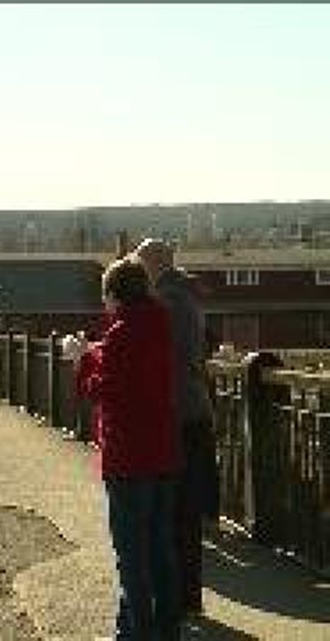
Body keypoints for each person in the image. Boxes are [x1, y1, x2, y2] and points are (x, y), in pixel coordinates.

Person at [71, 258, 181, 641]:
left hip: (128, 458)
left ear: (115, 295)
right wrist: (98, 349)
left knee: (131, 556)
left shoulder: (121, 335)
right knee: (160, 550)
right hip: (162, 453)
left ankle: (137, 633)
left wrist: (82, 358)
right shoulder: (160, 325)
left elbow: (101, 390)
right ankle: (165, 628)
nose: (105, 305)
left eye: (106, 297)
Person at [133, 238, 218, 620]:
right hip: (193, 410)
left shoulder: (167, 299)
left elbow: (168, 355)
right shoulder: (187, 295)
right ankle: (186, 597)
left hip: (178, 416)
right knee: (184, 512)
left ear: (153, 262)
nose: (138, 268)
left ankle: (181, 599)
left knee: (176, 513)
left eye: (139, 261)